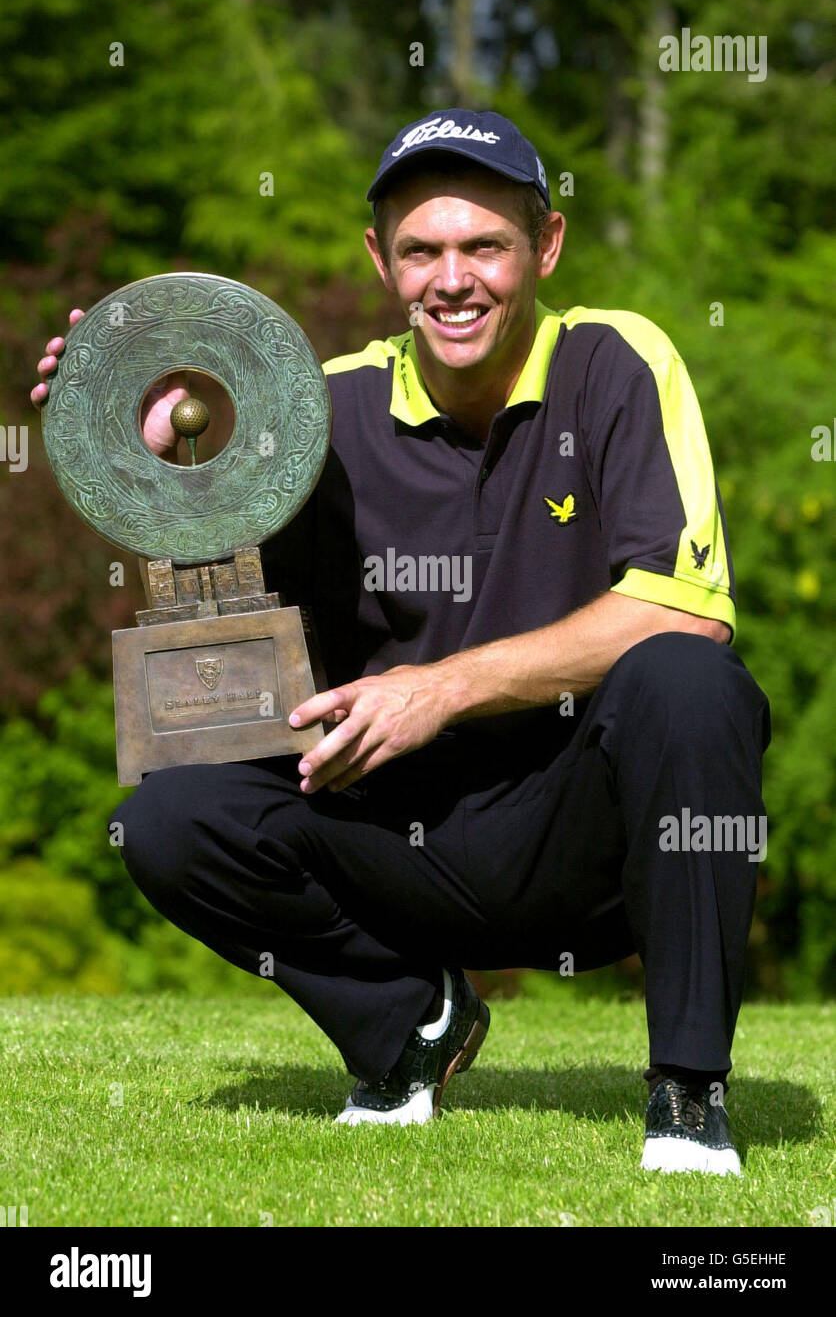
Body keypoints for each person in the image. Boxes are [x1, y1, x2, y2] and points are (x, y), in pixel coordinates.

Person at [31, 109, 770, 1175]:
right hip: (395, 840)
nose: (452, 278)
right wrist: (163, 482)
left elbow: (684, 608)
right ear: (379, 259)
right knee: (167, 812)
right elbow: (224, 680)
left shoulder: (616, 361)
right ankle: (406, 1023)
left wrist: (438, 687)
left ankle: (687, 1093)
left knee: (691, 682)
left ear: (546, 246)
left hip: (590, 835)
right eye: (421, 250)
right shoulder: (316, 407)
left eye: (484, 246)